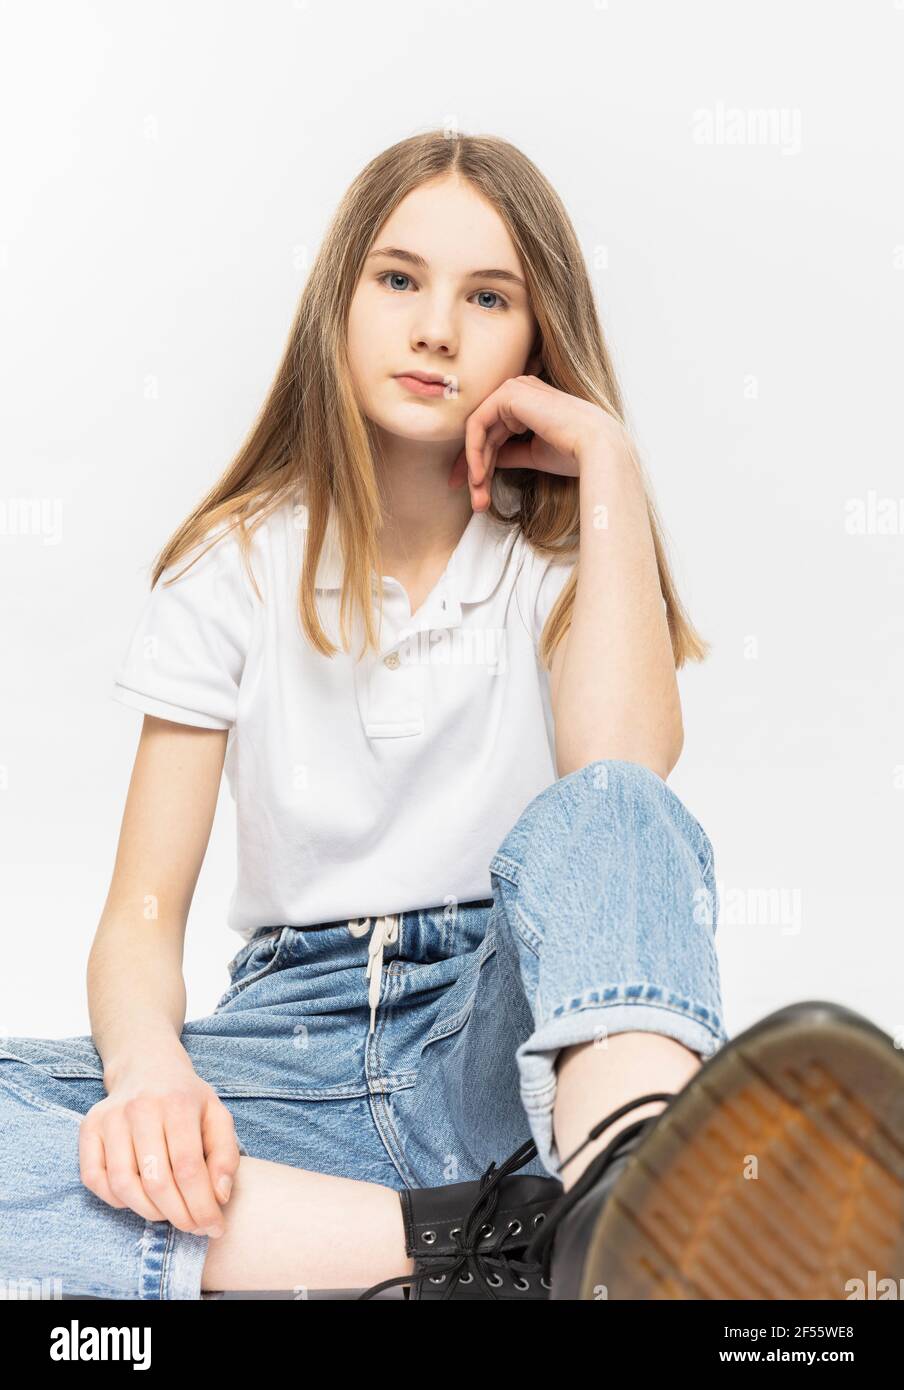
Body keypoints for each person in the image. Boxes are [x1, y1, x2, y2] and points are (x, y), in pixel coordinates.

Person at [2, 131, 902, 1303]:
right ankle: (511, 1242)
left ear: (537, 337)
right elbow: (138, 913)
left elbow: (622, 784)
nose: (437, 328)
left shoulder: (559, 562)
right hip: (289, 1060)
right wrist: (149, 1073)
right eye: (399, 279)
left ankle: (630, 1165)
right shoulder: (230, 567)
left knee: (611, 803)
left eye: (488, 297)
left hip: (508, 1043)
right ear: (340, 301)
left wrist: (610, 464)